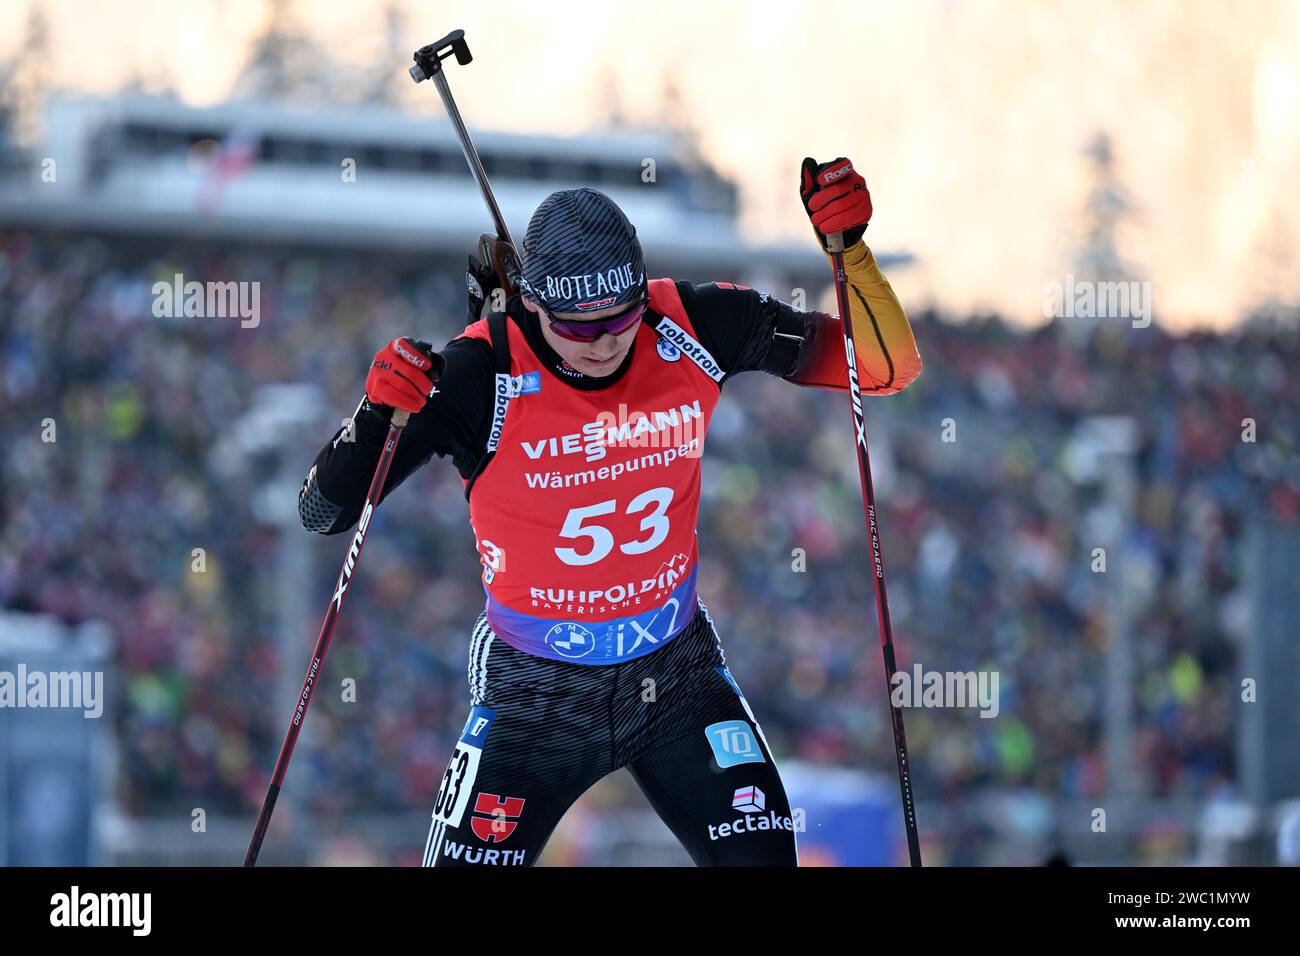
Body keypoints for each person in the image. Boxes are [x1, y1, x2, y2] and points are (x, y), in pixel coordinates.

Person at [297, 157, 921, 866]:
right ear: (532, 302)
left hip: (675, 677)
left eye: (620, 319)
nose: (603, 343)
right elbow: (322, 512)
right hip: (535, 693)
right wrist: (375, 416)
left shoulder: (694, 322)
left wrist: (851, 254)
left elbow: (886, 368)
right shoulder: (479, 372)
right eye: (577, 328)